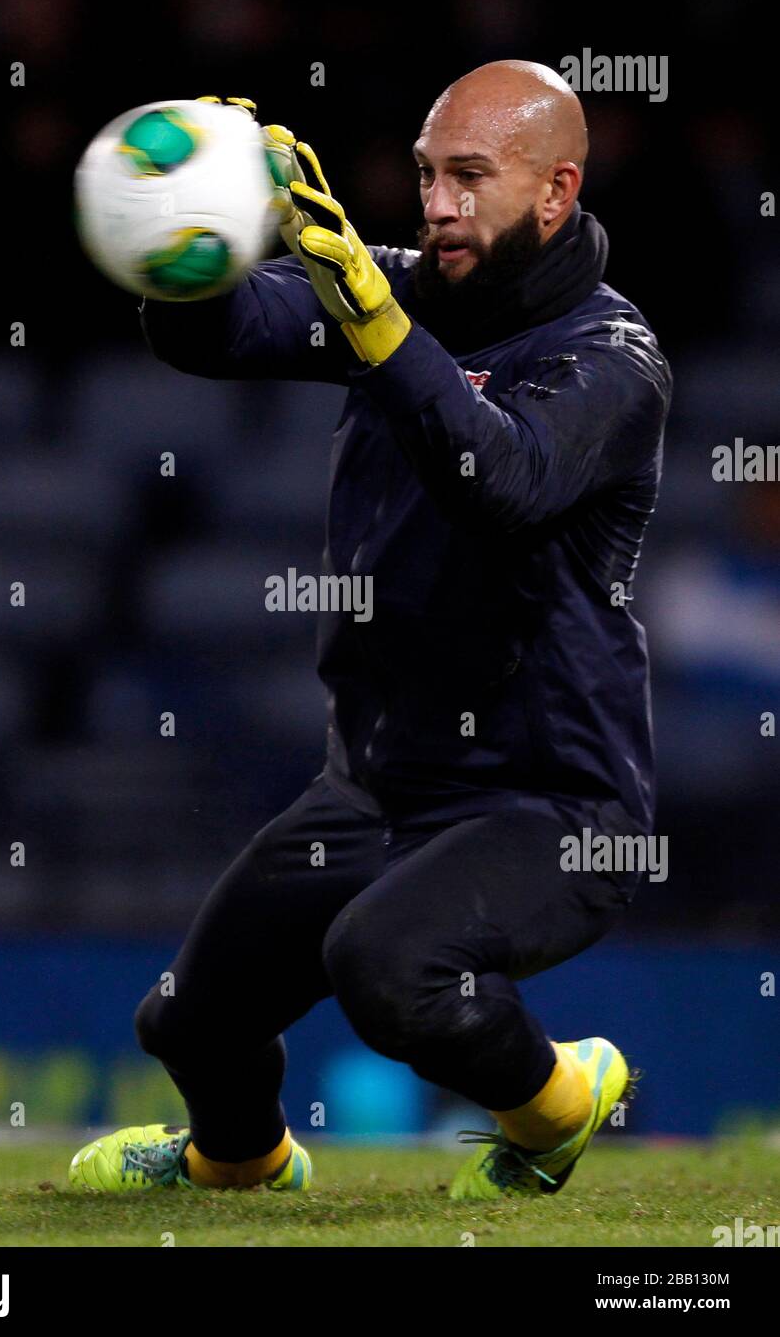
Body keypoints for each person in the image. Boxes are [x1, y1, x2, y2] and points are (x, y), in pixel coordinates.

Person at [69, 60, 671, 1201]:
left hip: (551, 802)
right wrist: (196, 226)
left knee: (387, 965)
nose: (437, 205)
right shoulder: (389, 294)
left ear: (555, 192)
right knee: (186, 1023)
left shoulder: (613, 357)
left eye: (469, 178)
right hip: (377, 786)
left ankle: (559, 1102)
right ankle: (239, 1163)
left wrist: (379, 327)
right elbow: (211, 337)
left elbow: (503, 480)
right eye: (426, 175)